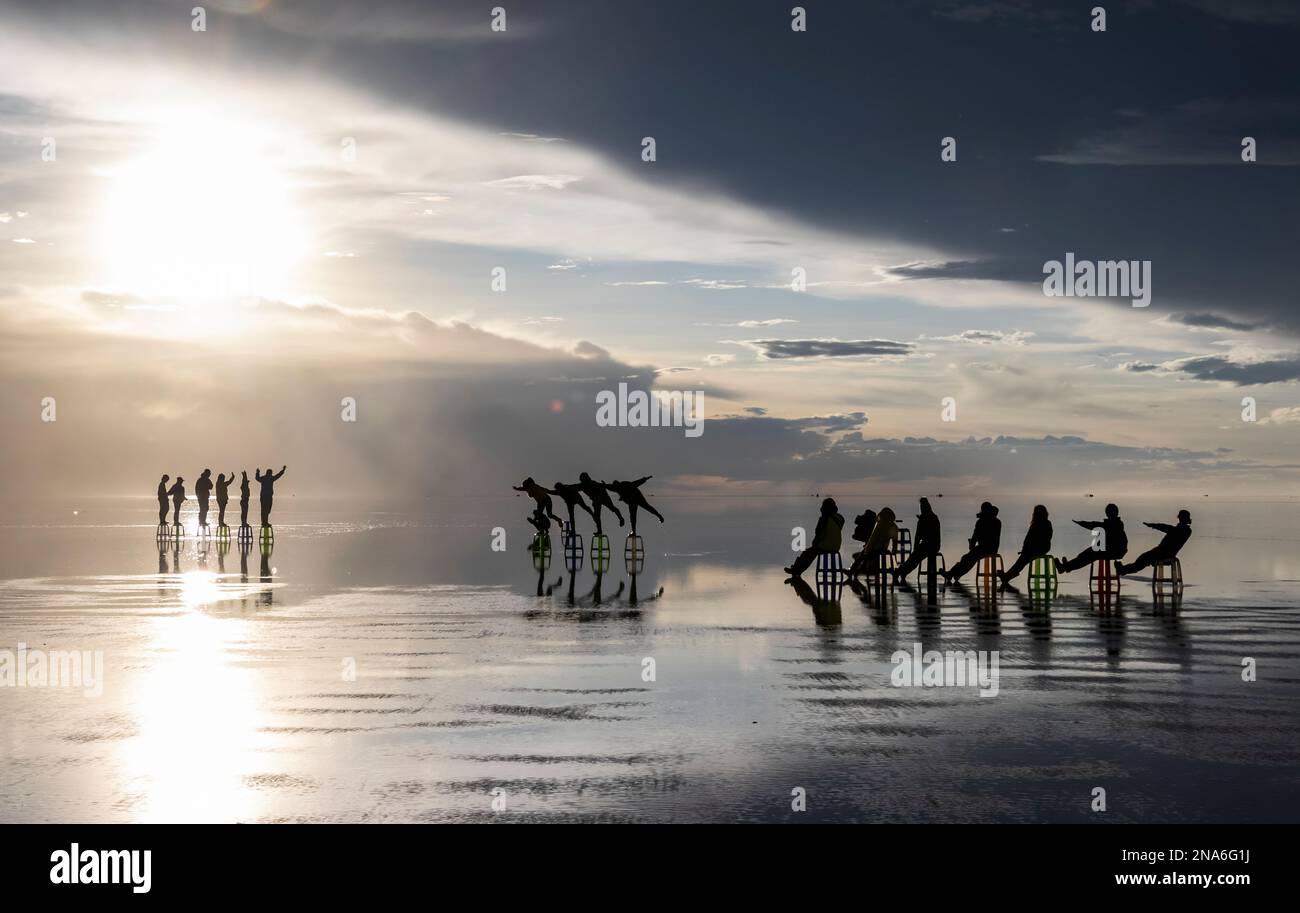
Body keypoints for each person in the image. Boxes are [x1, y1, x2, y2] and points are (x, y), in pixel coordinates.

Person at [1055, 502, 1127, 574]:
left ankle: (1065, 567)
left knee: (1086, 556)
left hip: (1113, 551)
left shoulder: (1113, 524)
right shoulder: (1117, 523)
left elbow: (1095, 525)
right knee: (1085, 555)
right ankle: (1067, 566)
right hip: (1114, 550)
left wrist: (1082, 523)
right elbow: (1096, 525)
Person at [784, 497, 844, 579]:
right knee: (811, 552)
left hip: (825, 546)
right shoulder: (840, 518)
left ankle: (797, 570)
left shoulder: (824, 519)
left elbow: (818, 534)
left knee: (807, 553)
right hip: (837, 546)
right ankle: (796, 568)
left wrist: (814, 544)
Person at [1117, 510, 1192, 575]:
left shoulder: (1185, 531)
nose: (1179, 519)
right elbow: (1168, 528)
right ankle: (1123, 570)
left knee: (1143, 559)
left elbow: (1167, 528)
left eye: (1180, 518)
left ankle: (1123, 570)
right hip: (1162, 551)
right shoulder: (1181, 529)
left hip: (1164, 553)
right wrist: (1153, 525)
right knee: (1143, 559)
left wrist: (1153, 525)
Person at [944, 501, 1001, 583]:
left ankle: (952, 573)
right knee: (968, 558)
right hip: (993, 548)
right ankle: (956, 574)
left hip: (984, 548)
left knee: (967, 557)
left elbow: (976, 536)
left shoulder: (981, 522)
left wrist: (972, 545)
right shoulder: (997, 521)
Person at [999, 504, 1053, 586]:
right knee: (1023, 559)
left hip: (1039, 548)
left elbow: (1031, 539)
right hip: (1043, 548)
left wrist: (1026, 548)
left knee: (1023, 558)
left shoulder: (1038, 524)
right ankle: (1009, 575)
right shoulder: (1046, 523)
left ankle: (1009, 575)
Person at [894, 497, 941, 582]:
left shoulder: (923, 519)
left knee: (914, 557)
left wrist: (916, 548)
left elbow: (917, 537)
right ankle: (902, 571)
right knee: (915, 557)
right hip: (936, 546)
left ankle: (901, 571)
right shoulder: (934, 517)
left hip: (928, 546)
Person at [851, 507, 898, 579]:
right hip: (884, 549)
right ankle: (857, 570)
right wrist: (893, 552)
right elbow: (895, 541)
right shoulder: (894, 526)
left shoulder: (879, 525)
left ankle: (853, 571)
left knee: (863, 555)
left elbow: (873, 539)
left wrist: (867, 548)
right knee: (865, 555)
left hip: (875, 549)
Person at [844, 508, 877, 577]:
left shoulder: (869, 523)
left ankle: (853, 571)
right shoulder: (874, 524)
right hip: (872, 544)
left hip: (873, 546)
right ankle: (854, 571)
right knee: (863, 555)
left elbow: (857, 521)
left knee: (862, 556)